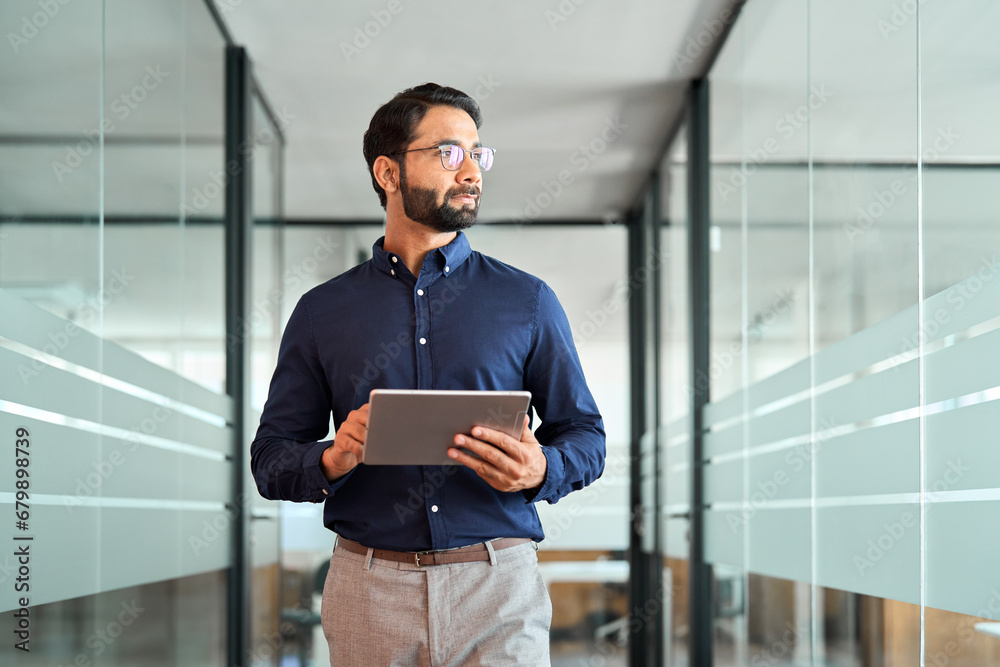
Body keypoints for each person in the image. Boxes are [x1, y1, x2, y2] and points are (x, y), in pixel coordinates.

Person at [250, 82, 606, 666]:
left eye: (477, 153)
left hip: (498, 585)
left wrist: (544, 467)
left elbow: (585, 434)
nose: (472, 171)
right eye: (448, 153)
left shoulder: (528, 301)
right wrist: (332, 458)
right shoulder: (321, 313)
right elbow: (271, 457)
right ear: (388, 173)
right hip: (369, 588)